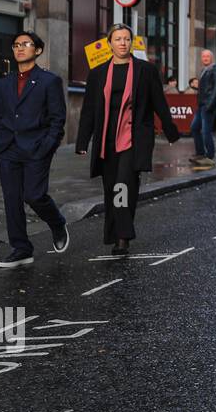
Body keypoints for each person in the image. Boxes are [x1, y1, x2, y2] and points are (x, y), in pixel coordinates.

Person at [75, 23, 180, 253]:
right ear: (110, 43)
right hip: (106, 140)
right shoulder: (98, 73)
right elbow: (89, 110)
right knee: (112, 188)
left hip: (134, 139)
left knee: (124, 185)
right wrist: (83, 141)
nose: (123, 43)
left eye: (126, 39)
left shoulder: (145, 70)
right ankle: (115, 233)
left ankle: (123, 236)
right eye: (118, 39)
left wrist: (170, 130)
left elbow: (158, 102)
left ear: (131, 42)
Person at [0, 30, 70, 268]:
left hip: (36, 147)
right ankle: (21, 249)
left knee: (34, 195)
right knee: (12, 199)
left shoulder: (49, 81)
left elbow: (57, 119)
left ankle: (57, 223)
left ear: (38, 50)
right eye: (16, 45)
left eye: (26, 44)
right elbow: (0, 115)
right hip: (7, 148)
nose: (19, 48)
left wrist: (47, 146)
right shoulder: (4, 83)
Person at [190, 49, 216, 168]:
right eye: (203, 56)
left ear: (212, 58)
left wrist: (210, 104)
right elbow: (206, 88)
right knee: (194, 128)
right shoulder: (205, 70)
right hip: (202, 105)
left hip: (208, 105)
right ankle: (200, 153)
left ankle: (210, 156)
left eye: (207, 56)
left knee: (206, 131)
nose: (205, 58)